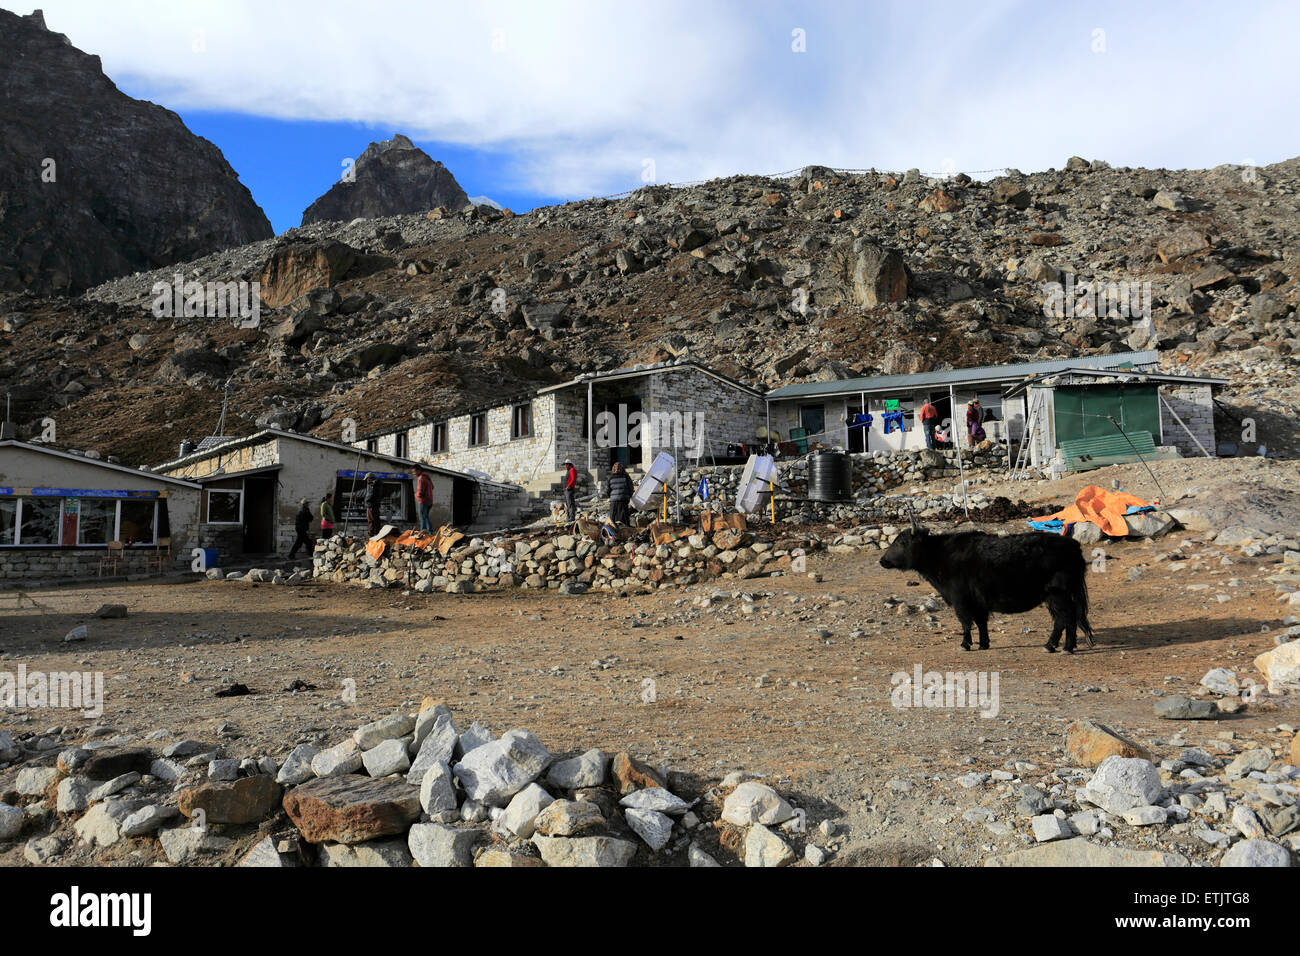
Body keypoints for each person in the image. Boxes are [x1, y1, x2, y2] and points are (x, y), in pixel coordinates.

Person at [413, 465, 434, 532]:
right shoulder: (427, 478)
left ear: (419, 470)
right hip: (430, 501)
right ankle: (430, 532)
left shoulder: (421, 478)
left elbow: (420, 492)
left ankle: (423, 532)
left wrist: (415, 494)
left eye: (414, 472)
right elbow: (432, 487)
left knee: (422, 517)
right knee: (426, 516)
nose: (414, 473)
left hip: (423, 501)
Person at [363, 473, 382, 538]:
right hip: (376, 505)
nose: (366, 481)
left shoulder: (372, 484)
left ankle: (371, 534)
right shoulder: (378, 484)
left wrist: (366, 501)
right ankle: (377, 533)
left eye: (367, 479)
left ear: (369, 478)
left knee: (371, 520)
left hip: (371, 505)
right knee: (376, 520)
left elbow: (370, 494)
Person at [562, 458, 578, 522]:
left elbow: (573, 479)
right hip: (566, 490)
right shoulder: (569, 470)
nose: (564, 466)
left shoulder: (572, 470)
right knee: (568, 504)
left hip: (569, 490)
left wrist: (568, 486)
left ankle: (571, 518)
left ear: (568, 464)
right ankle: (568, 517)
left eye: (565, 465)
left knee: (570, 504)